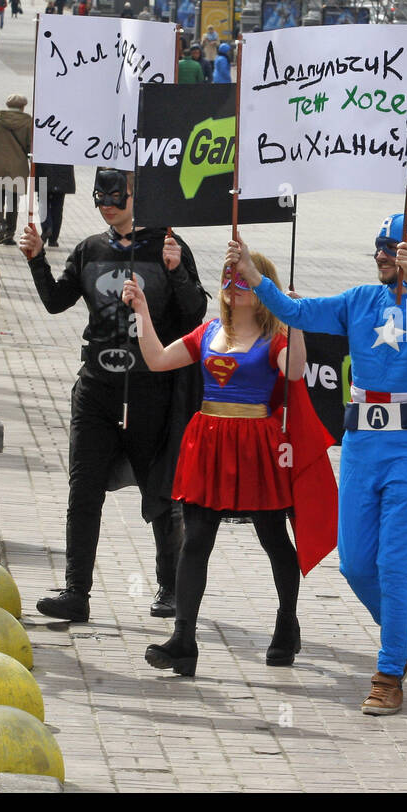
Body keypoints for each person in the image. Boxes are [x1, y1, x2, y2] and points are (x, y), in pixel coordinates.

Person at [225, 215, 407, 715]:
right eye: (376, 247)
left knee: (395, 567)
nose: (380, 255)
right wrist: (251, 272)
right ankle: (402, 623)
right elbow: (295, 310)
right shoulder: (359, 300)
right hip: (361, 444)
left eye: (391, 248)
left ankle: (389, 672)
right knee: (355, 563)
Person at [124, 252, 334, 675]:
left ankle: (286, 622)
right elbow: (158, 360)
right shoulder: (208, 331)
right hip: (208, 441)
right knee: (196, 539)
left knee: (273, 536)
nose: (231, 281)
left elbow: (294, 373)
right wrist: (143, 311)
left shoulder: (275, 338)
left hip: (256, 443)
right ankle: (184, 639)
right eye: (226, 274)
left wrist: (293, 318)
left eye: (241, 277)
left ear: (260, 289)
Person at [20, 169, 207, 623]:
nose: (106, 203)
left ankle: (170, 588)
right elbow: (55, 301)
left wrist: (176, 270)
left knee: (161, 492)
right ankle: (76, 591)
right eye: (99, 195)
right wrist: (37, 259)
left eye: (115, 195)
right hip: (97, 387)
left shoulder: (168, 245)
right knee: (82, 490)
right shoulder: (90, 249)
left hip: (152, 389)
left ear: (135, 196)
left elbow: (196, 311)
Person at [0, 94, 32, 246]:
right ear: (23, 107)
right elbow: (31, 145)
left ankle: (0, 225)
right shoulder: (28, 123)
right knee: (13, 201)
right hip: (17, 168)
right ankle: (9, 234)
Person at [35, 162, 76, 249]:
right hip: (63, 171)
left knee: (43, 202)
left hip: (43, 169)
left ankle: (47, 227)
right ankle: (53, 239)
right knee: (57, 206)